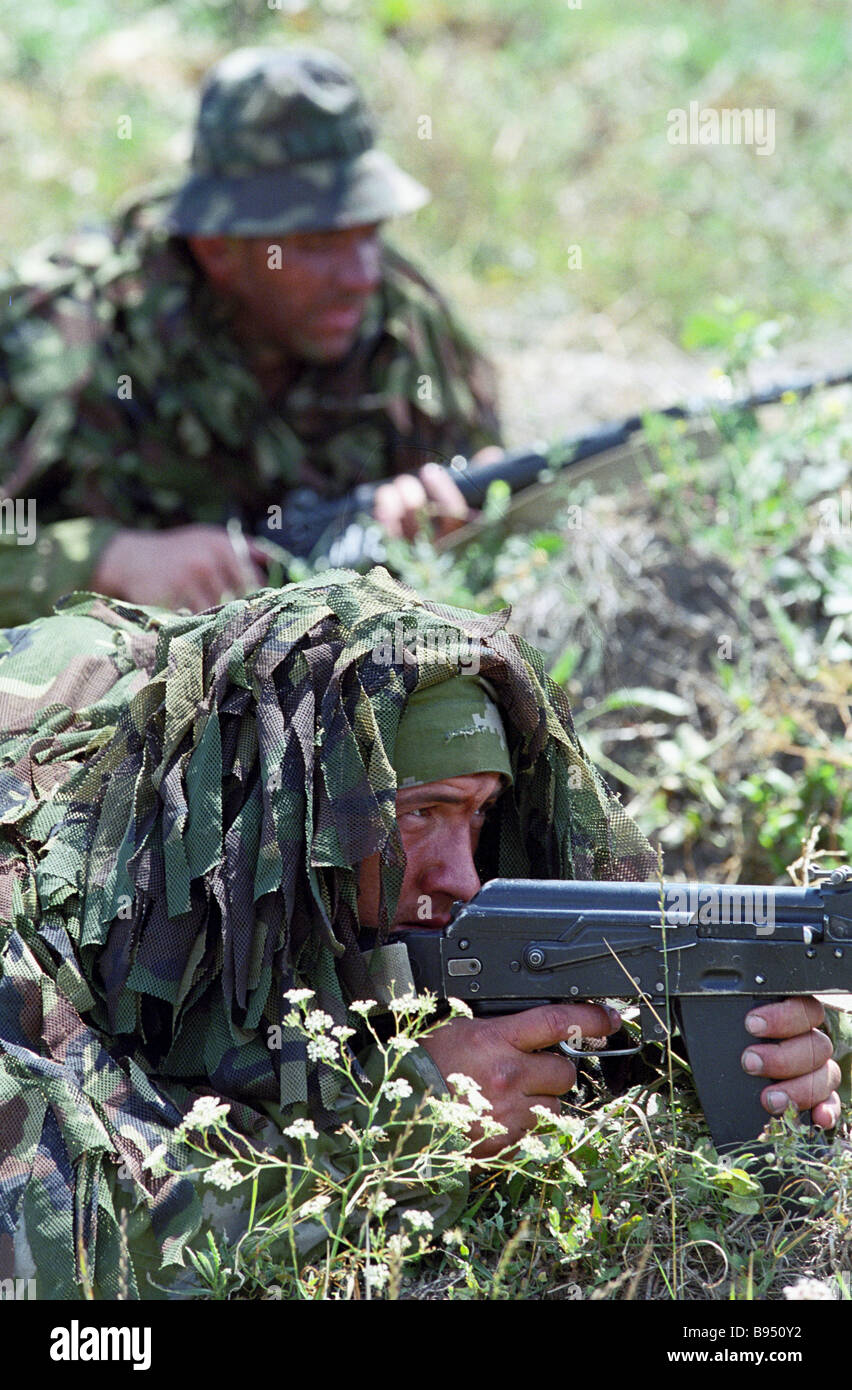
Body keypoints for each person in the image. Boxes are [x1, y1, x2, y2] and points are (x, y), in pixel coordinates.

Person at [0, 567, 842, 1298]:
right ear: (291, 831)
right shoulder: (45, 914)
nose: (461, 876)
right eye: (419, 815)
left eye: (476, 815)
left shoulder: (285, 868)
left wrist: (735, 1044)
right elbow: (69, 1250)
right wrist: (407, 1133)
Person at [0, 46, 501, 627]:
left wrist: (450, 513)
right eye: (318, 244)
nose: (361, 276)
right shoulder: (64, 337)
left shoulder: (399, 314)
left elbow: (483, 471)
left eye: (370, 233)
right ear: (218, 250)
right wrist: (103, 560)